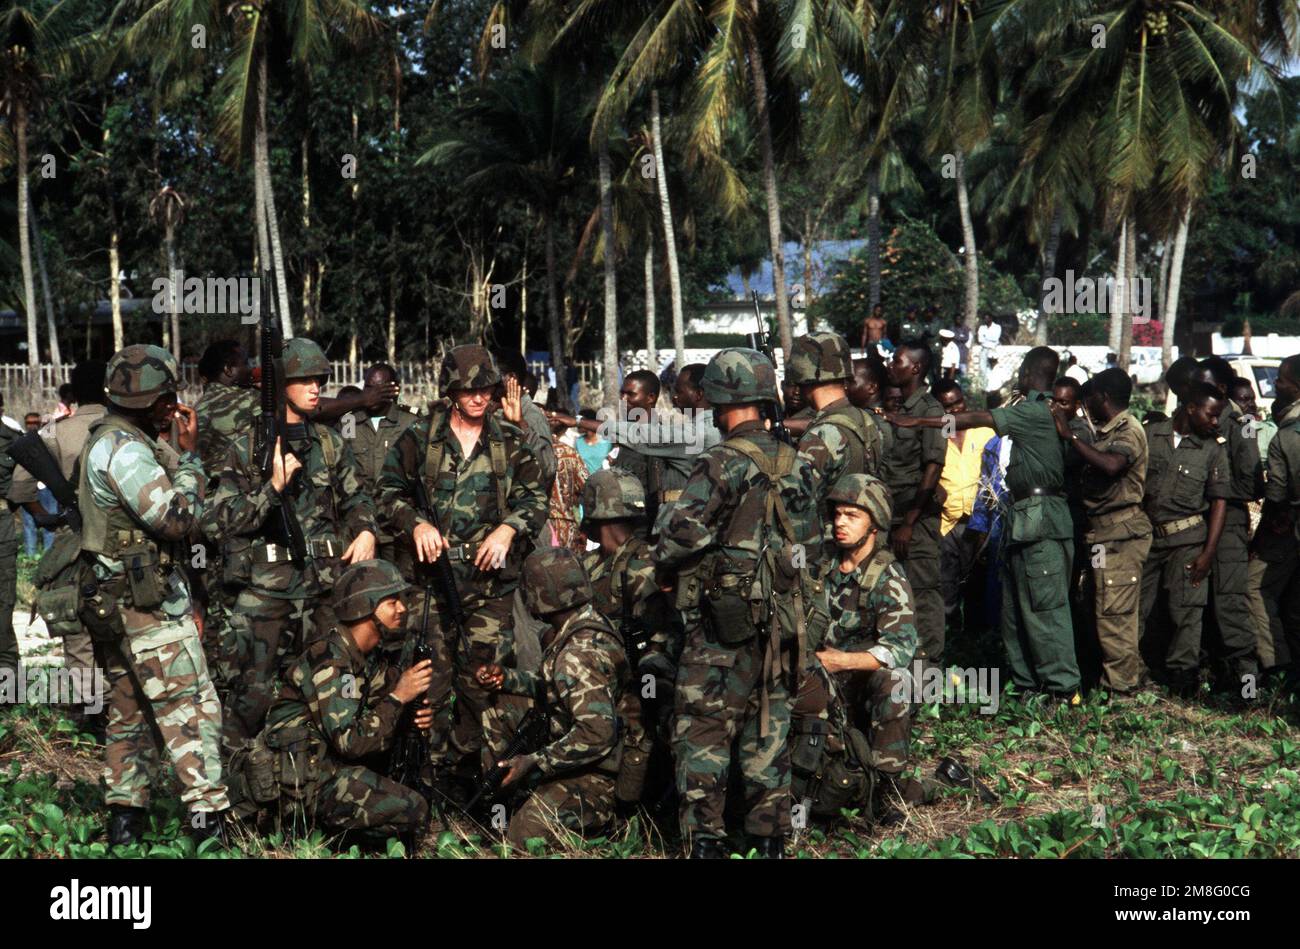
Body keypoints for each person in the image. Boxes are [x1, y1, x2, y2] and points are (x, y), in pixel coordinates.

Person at [652, 348, 823, 858]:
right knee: (767, 728)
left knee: (701, 729)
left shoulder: (721, 461)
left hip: (722, 624)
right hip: (786, 620)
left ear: (719, 399)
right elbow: (811, 547)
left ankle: (706, 843)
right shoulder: (801, 462)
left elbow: (678, 535)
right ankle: (769, 841)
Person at [377, 345, 548, 797]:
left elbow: (535, 499)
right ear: (451, 391)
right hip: (430, 583)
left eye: (485, 388)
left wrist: (507, 531)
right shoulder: (420, 438)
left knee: (486, 683)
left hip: (489, 585)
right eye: (468, 389)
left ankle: (479, 784)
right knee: (430, 681)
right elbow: (386, 493)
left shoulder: (510, 441)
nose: (478, 397)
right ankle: (422, 786)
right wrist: (416, 523)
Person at [78, 345, 229, 846]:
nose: (175, 404)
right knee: (193, 710)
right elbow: (175, 518)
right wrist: (190, 459)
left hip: (116, 606)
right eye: (168, 396)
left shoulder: (113, 438)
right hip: (147, 611)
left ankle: (126, 829)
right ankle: (210, 832)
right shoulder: (125, 450)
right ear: (150, 400)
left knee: (129, 717)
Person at [205, 338, 378, 758]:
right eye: (304, 380)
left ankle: (307, 781)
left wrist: (366, 530)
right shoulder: (248, 447)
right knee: (252, 695)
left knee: (325, 687)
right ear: (282, 383)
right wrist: (272, 488)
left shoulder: (330, 443)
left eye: (320, 379)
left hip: (322, 589)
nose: (316, 388)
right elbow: (218, 521)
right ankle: (230, 791)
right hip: (265, 593)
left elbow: (359, 499)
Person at [892, 346, 1081, 706]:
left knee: (1044, 608)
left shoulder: (1033, 410)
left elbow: (976, 418)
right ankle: (1030, 685)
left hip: (1039, 519)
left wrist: (919, 421)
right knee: (1016, 609)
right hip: (1023, 518)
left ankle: (1061, 688)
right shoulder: (1042, 411)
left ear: (1028, 373)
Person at [232, 559, 433, 847]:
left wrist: (407, 711)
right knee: (414, 810)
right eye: (391, 601)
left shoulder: (366, 659)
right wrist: (398, 696)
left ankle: (327, 835)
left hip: (324, 769)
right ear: (364, 607)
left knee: (414, 802)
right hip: (301, 785)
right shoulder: (330, 662)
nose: (402, 608)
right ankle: (316, 834)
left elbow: (380, 714)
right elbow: (350, 742)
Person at [475, 548, 630, 851]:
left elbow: (597, 734)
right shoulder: (586, 624)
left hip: (597, 777)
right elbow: (560, 689)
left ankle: (602, 824)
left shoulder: (575, 653)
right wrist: (508, 679)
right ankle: (499, 805)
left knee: (522, 839)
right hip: (574, 760)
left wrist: (535, 761)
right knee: (499, 708)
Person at [807, 473, 920, 824]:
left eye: (852, 516)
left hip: (859, 685)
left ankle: (888, 789)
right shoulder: (819, 565)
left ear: (875, 525)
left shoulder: (888, 577)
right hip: (819, 681)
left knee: (896, 682)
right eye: (837, 514)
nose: (840, 523)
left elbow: (900, 648)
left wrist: (842, 661)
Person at [7, 361, 110, 729]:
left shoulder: (53, 434)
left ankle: (90, 708)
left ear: (72, 395)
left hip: (72, 540)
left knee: (76, 621)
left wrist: (46, 517)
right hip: (122, 537)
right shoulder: (129, 429)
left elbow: (19, 489)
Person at [579, 469, 681, 812]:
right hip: (608, 675)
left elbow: (661, 638)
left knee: (644, 707)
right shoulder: (594, 565)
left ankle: (631, 808)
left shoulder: (643, 564)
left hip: (648, 677)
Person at [1057, 369, 1151, 697]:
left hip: (1120, 534)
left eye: (1091, 396)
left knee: (1115, 615)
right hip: (1102, 535)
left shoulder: (1129, 429)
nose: (1086, 402)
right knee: (1103, 609)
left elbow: (1112, 465)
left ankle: (1122, 691)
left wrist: (1071, 437)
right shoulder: (1104, 430)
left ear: (1104, 398)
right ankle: (1124, 680)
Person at [1138, 382, 1229, 697]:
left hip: (1188, 540)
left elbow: (1219, 502)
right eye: (1211, 414)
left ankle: (1182, 682)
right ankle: (1131, 673)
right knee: (1135, 608)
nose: (1216, 421)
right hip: (1147, 539)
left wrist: (1208, 553)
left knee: (1186, 612)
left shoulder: (1213, 448)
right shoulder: (1150, 436)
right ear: (1190, 408)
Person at [881, 341, 946, 670]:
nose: (892, 365)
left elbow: (932, 470)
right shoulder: (899, 409)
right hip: (892, 516)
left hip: (915, 520)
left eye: (897, 360)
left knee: (921, 591)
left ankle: (929, 670)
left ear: (916, 368)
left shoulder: (931, 411)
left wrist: (909, 522)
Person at [790, 332, 883, 537]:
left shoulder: (821, 435)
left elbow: (796, 507)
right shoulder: (868, 422)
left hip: (827, 547)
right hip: (860, 542)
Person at [343, 363, 420, 579]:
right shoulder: (349, 421)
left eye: (379, 388)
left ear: (393, 390)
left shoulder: (411, 422)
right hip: (362, 526)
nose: (373, 394)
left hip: (398, 529)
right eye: (368, 387)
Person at [1250, 354, 1300, 676]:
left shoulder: (1287, 434)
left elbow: (1277, 495)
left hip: (1289, 530)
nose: (1276, 384)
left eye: (1280, 379)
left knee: (1253, 587)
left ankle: (1276, 666)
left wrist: (1261, 536)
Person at [932, 379, 995, 636]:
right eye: (948, 406)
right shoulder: (934, 436)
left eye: (959, 402)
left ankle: (975, 644)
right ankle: (948, 642)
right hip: (946, 524)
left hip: (979, 524)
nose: (956, 410)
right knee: (945, 586)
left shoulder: (984, 432)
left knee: (978, 586)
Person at [546, 411, 588, 554]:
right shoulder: (569, 453)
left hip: (530, 527)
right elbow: (588, 490)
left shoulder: (521, 449)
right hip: (564, 525)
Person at [575, 408, 613, 474]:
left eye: (581, 421)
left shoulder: (607, 442)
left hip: (604, 480)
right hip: (585, 482)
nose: (577, 423)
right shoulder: (578, 442)